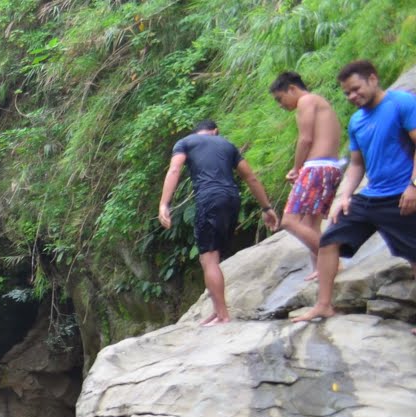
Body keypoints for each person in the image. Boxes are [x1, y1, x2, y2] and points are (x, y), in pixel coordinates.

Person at [292, 60, 416, 327]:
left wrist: (413, 186)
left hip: (401, 195)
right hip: (370, 196)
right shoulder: (357, 121)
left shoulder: (401, 104)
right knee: (329, 240)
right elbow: (357, 163)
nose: (352, 96)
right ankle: (324, 305)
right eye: (347, 93)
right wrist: (345, 196)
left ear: (373, 79)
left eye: (356, 89)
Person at [158, 120, 280, 326]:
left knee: (209, 259)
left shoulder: (185, 143)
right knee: (213, 257)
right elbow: (251, 178)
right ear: (215, 131)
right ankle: (217, 311)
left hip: (209, 199)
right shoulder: (227, 145)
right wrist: (267, 208)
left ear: (197, 132)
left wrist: (164, 204)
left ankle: (222, 315)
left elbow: (174, 170)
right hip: (232, 199)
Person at [270, 71, 344, 279]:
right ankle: (321, 268)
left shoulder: (307, 100)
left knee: (289, 221)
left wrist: (297, 168)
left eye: (280, 98)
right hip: (330, 166)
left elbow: (305, 139)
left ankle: (332, 261)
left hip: (317, 167)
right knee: (310, 225)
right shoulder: (319, 102)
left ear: (292, 89)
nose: (280, 104)